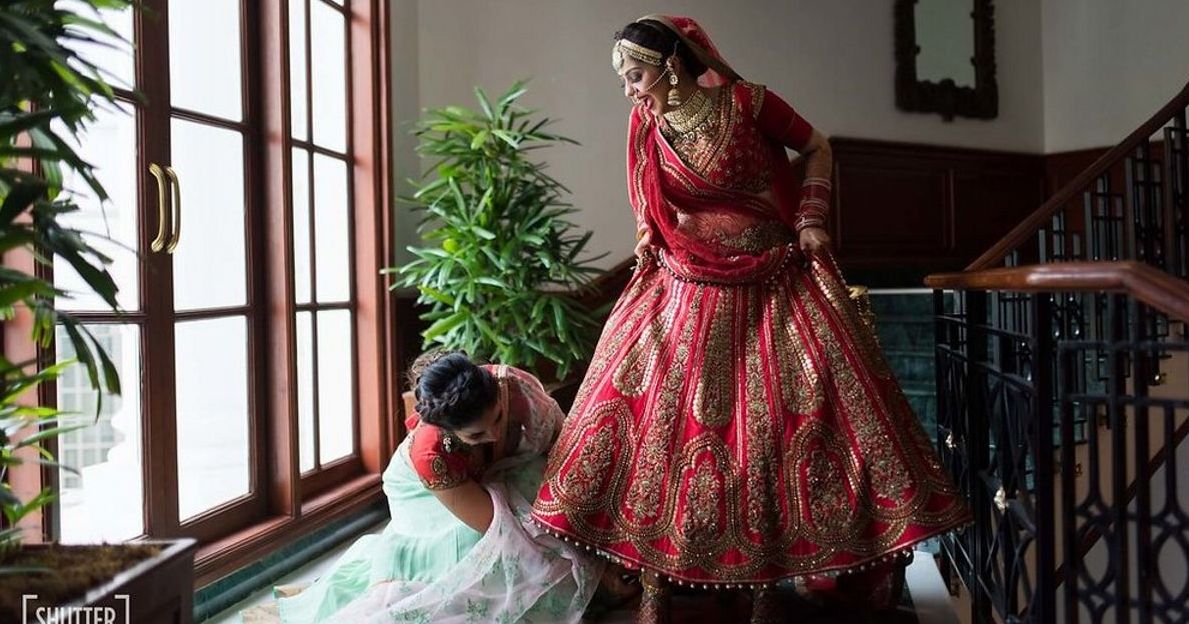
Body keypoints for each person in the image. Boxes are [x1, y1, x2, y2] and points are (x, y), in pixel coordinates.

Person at [531, 15, 970, 624]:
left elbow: (818, 145)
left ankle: (771, 587)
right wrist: (645, 237)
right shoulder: (645, 124)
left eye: (635, 74)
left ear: (669, 63)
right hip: (682, 283)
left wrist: (811, 216)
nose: (629, 89)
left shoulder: (747, 102)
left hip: (773, 279)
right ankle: (657, 585)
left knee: (777, 427)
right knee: (661, 426)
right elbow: (648, 196)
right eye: (624, 79)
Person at [248, 352, 623, 623]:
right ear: (447, 430)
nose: (493, 434)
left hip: (496, 471)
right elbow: (497, 525)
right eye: (477, 433)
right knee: (478, 552)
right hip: (423, 493)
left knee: (538, 486)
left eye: (497, 419)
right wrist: (584, 560)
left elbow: (564, 447)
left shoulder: (515, 388)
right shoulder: (433, 455)